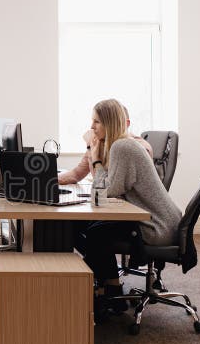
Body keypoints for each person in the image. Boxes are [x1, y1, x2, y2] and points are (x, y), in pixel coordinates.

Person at [74, 99, 181, 320]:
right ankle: (109, 287)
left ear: (109, 123)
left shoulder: (122, 147)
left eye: (96, 122)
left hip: (155, 226)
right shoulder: (120, 145)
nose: (91, 127)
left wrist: (95, 159)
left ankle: (109, 291)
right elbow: (108, 188)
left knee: (94, 233)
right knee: (86, 226)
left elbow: (106, 191)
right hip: (159, 220)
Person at [58, 105, 153, 185]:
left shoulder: (139, 148)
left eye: (97, 121)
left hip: (129, 202)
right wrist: (50, 180)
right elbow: (76, 174)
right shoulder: (99, 142)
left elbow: (105, 186)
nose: (91, 127)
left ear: (125, 124)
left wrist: (91, 151)